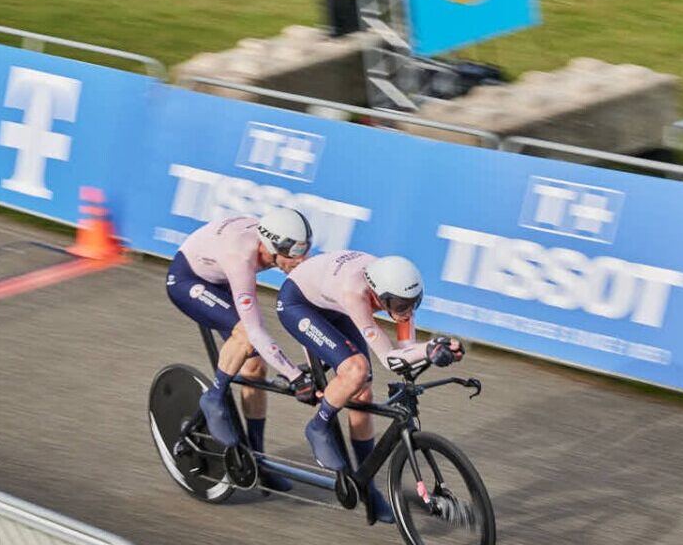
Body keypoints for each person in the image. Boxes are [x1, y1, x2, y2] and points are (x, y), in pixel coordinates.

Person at [276, 251, 464, 524]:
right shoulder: (357, 293)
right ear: (378, 295)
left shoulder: (396, 289)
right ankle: (318, 425)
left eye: (412, 303)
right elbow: (389, 359)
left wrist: (435, 349)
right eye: (399, 305)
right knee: (356, 370)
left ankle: (367, 486)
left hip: (331, 302)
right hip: (299, 303)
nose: (406, 311)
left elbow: (406, 350)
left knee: (363, 390)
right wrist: (430, 347)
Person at [165, 207, 316, 490]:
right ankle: (214, 398)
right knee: (247, 336)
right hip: (188, 280)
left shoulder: (273, 245)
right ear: (272, 247)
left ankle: (258, 458)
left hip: (219, 279)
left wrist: (314, 366)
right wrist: (295, 376)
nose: (301, 260)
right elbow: (255, 331)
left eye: (304, 250)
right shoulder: (241, 257)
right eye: (294, 253)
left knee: (255, 367)